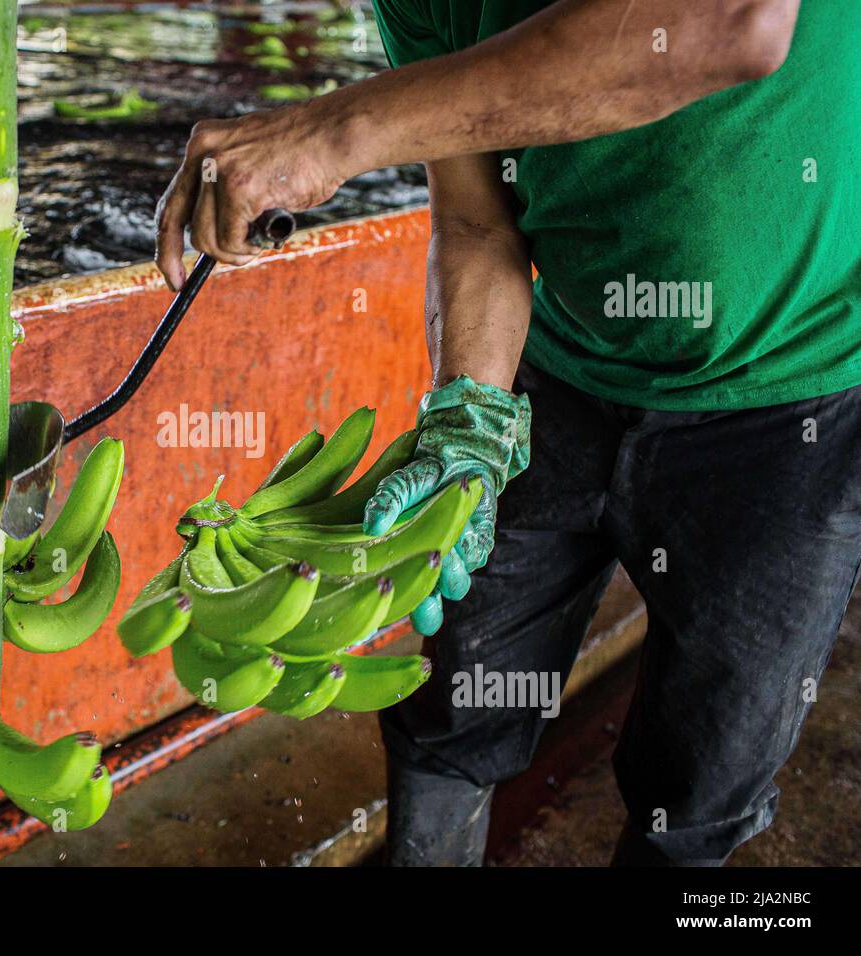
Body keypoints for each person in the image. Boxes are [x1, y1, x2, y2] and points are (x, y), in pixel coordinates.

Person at [155, 0, 860, 865]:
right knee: (459, 697)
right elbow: (480, 220)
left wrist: (336, 131)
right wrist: (470, 420)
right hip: (551, 370)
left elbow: (731, 22)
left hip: (794, 400)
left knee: (710, 769)